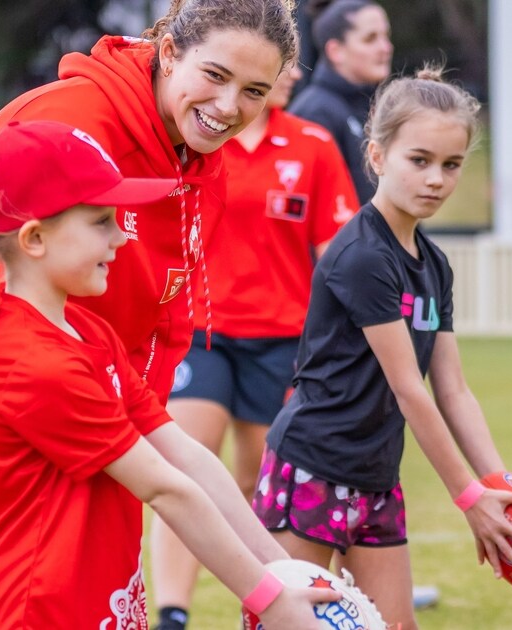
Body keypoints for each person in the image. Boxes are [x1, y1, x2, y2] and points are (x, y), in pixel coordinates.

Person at [0, 1, 302, 627]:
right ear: (170, 53)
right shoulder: (72, 126)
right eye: (216, 75)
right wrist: (270, 592)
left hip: (38, 383)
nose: (229, 106)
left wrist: (279, 574)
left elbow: (152, 332)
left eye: (254, 90)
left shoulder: (195, 164)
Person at [0, 119, 337, 628]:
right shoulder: (33, 361)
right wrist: (271, 600)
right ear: (34, 238)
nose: (122, 238)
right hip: (30, 616)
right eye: (101, 221)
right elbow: (165, 489)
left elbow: (184, 456)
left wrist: (285, 571)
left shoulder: (87, 330)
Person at [251, 65, 512, 630]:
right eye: (420, 160)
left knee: (397, 625)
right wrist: (468, 499)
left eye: (451, 165)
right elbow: (410, 390)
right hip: (312, 466)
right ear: (378, 155)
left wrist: (501, 487)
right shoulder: (364, 256)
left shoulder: (434, 265)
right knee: (284, 623)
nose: (436, 179)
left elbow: (453, 390)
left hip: (376, 475)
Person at [149, 61, 357, 630]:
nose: (288, 76)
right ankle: (172, 614)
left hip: (284, 338)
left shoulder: (313, 145)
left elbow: (338, 256)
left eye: (286, 68)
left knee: (254, 482)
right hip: (200, 333)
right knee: (184, 468)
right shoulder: (197, 137)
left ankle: (270, 607)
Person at [288, 0, 392, 205]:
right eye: (370, 39)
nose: (385, 48)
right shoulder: (316, 113)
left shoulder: (368, 106)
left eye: (386, 36)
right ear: (335, 51)